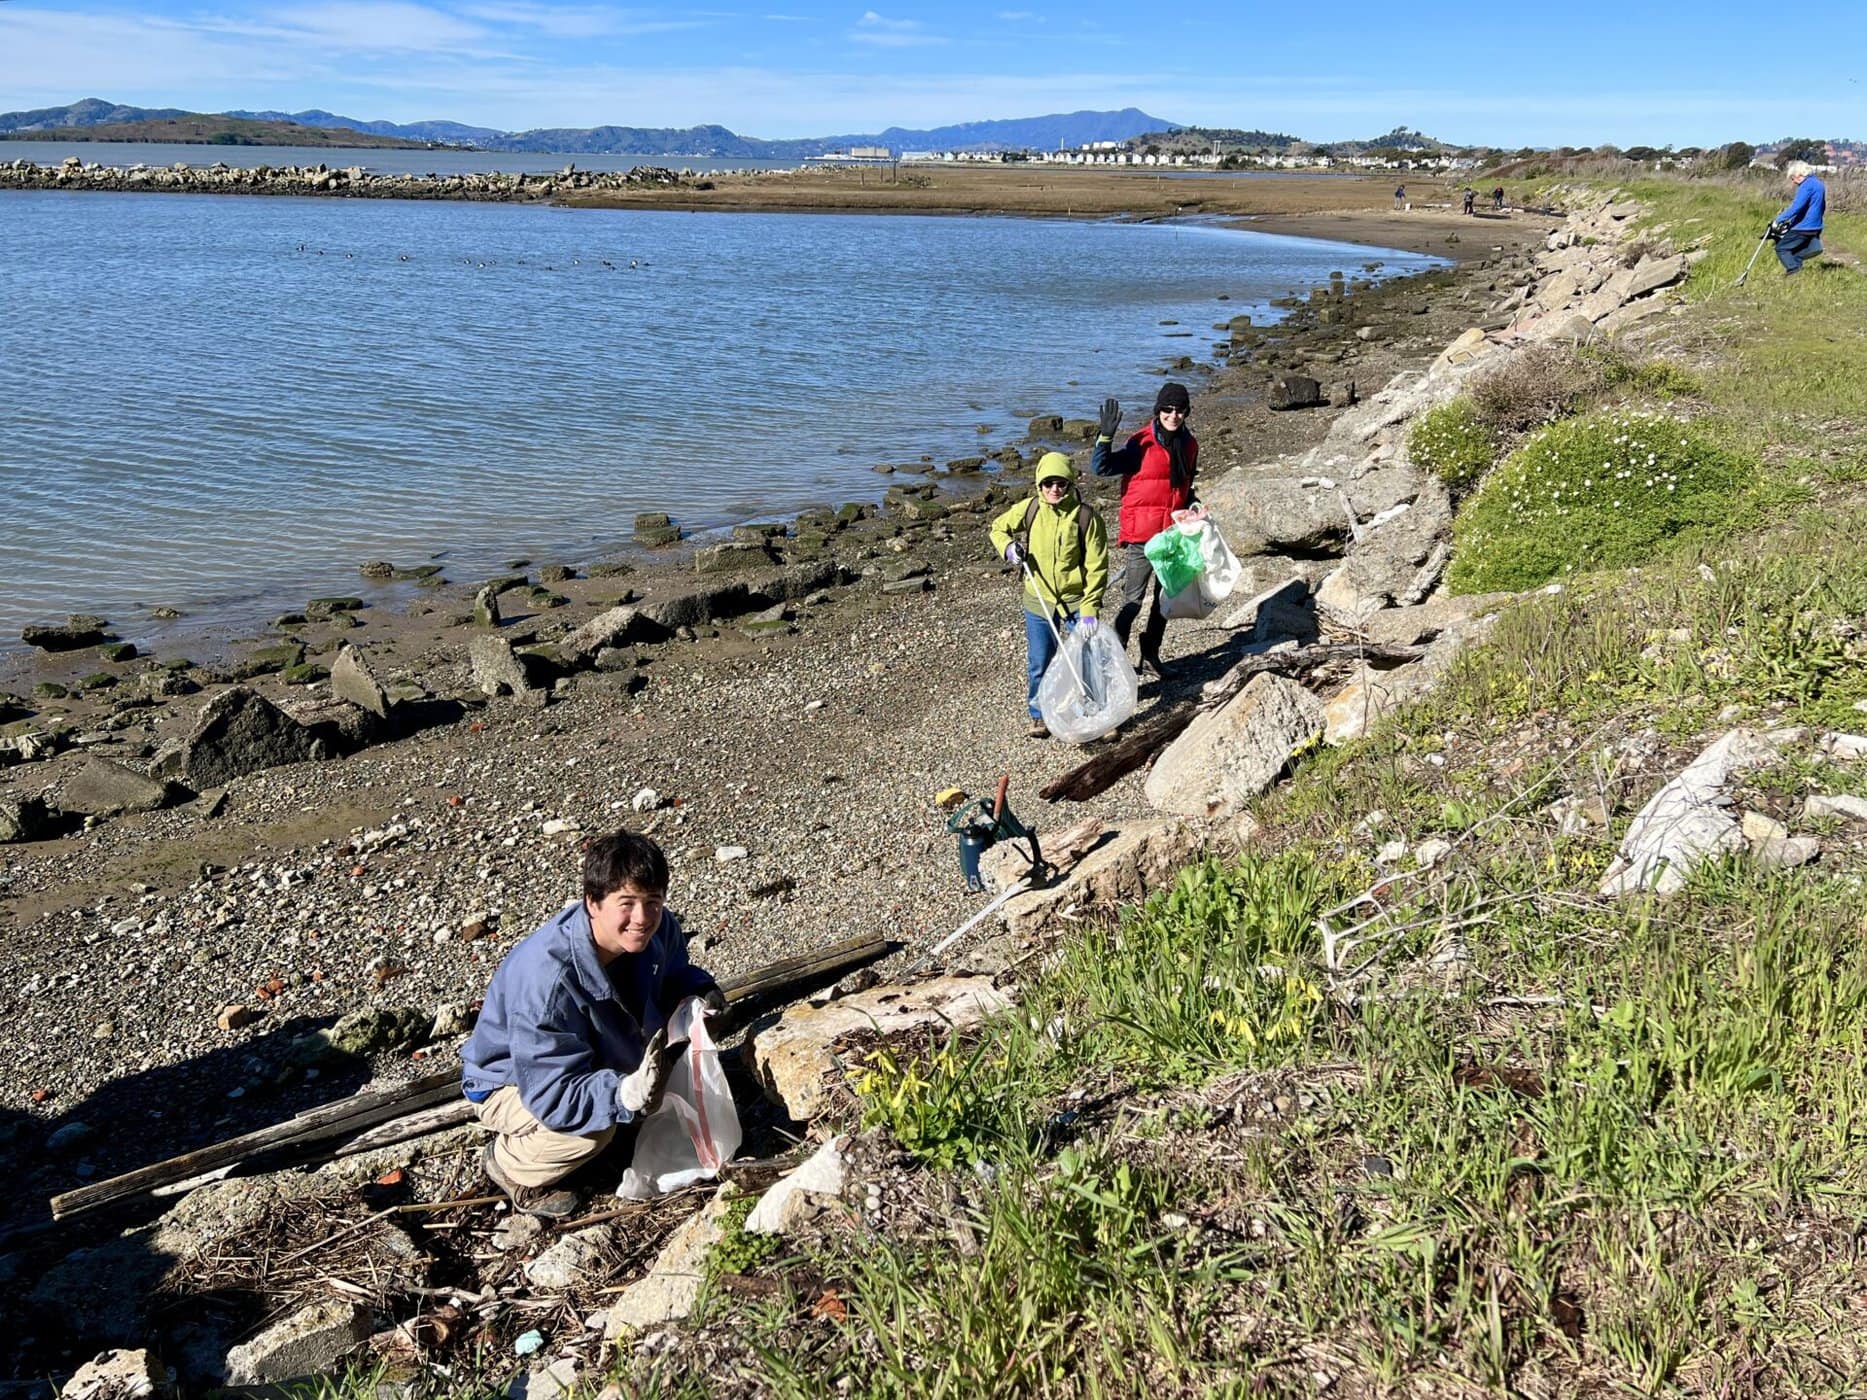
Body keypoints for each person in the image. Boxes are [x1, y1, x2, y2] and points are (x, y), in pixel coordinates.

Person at [461, 830, 725, 1218]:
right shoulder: (548, 983)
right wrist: (623, 1094)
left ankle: (612, 1110)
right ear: (593, 902)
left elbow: (672, 974)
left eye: (653, 901)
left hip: (591, 1058)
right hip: (513, 1081)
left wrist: (700, 993)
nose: (642, 918)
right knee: (590, 1135)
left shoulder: (658, 927)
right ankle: (511, 1165)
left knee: (672, 1089)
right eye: (627, 903)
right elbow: (552, 1094)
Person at [989, 452, 1110, 738]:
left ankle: (1097, 712)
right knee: (1040, 660)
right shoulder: (1030, 508)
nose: (1054, 489)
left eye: (1061, 483)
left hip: (1075, 601)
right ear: (1039, 485)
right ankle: (1038, 715)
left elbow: (1097, 566)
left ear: (1070, 484)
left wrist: (1090, 608)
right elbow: (997, 527)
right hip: (1038, 599)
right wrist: (1008, 547)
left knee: (1089, 657)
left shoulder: (1086, 517)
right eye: (1048, 483)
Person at [1091, 382, 1200, 680]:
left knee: (1165, 601)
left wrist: (1194, 504)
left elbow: (1186, 487)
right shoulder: (1140, 443)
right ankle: (1114, 662)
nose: (1173, 415)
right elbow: (1101, 468)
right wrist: (1105, 437)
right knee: (1132, 601)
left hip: (1172, 536)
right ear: (1158, 410)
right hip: (1142, 537)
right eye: (1167, 409)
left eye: (1179, 410)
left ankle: (1151, 656)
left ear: (1187, 412)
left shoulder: (1190, 445)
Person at [1769, 161, 1827, 275]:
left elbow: (1796, 207)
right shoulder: (1818, 183)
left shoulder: (1806, 185)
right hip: (1816, 226)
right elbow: (1822, 206)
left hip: (1803, 227)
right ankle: (1797, 274)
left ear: (1799, 175)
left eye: (1792, 178)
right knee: (1795, 252)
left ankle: (1793, 270)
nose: (1793, 182)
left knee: (1782, 249)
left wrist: (1778, 220)